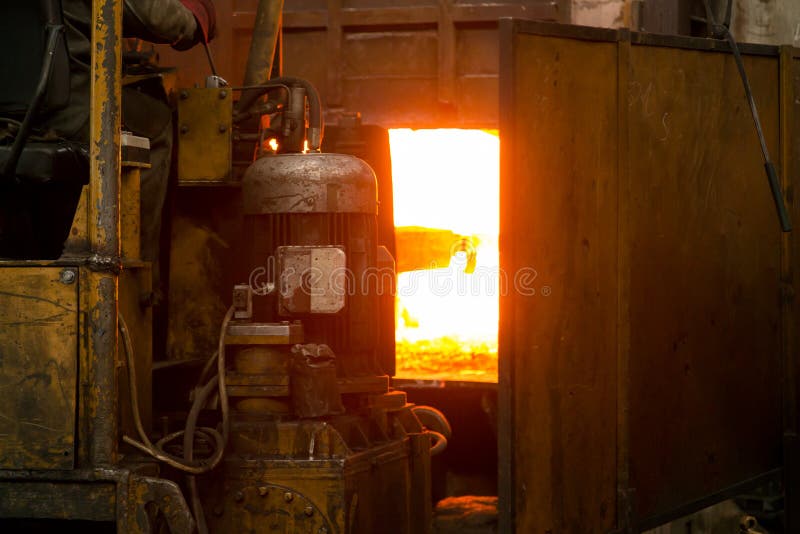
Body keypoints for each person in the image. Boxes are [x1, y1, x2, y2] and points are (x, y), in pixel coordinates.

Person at [47, 0, 216, 300]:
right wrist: (198, 17)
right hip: (65, 110)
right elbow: (159, 18)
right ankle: (139, 280)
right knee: (157, 122)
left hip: (13, 121)